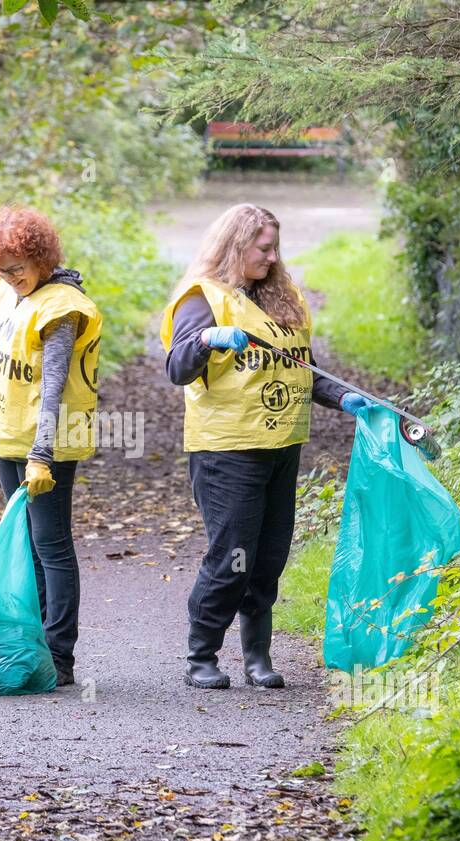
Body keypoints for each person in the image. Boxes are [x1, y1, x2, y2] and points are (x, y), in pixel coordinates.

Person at [160, 203, 371, 689]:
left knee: (269, 555)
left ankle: (257, 657)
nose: (273, 257)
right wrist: (208, 339)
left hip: (281, 444)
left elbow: (302, 366)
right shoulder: (203, 298)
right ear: (235, 246)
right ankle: (202, 656)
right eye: (263, 247)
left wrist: (344, 397)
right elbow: (177, 368)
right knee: (232, 554)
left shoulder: (283, 297)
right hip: (227, 449)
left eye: (276, 247)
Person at [0, 205, 102, 687]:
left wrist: (41, 454)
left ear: (41, 258)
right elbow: (0, 327)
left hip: (43, 443)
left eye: (17, 269)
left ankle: (60, 656)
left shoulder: (62, 307)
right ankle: (35, 644)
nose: (9, 279)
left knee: (50, 544)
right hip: (7, 436)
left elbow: (52, 387)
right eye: (0, 270)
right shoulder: (13, 292)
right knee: (25, 543)